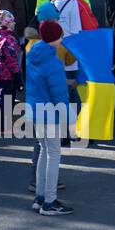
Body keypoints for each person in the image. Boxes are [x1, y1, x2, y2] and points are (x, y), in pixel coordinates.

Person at [27, 20, 73, 215]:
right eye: (60, 36)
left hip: (35, 110)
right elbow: (59, 94)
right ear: (55, 38)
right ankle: (49, 201)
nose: (62, 39)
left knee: (45, 151)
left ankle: (40, 197)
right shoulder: (53, 62)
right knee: (53, 154)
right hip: (50, 113)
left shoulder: (32, 55)